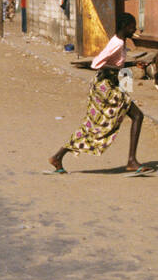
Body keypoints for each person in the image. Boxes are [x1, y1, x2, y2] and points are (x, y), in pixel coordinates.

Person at [48, 13, 149, 174]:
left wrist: (133, 64)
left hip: (109, 86)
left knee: (94, 126)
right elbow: (97, 64)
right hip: (105, 88)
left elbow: (116, 64)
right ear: (125, 26)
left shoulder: (121, 42)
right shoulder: (116, 43)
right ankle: (132, 161)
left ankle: (58, 156)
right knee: (136, 116)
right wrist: (122, 69)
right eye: (132, 26)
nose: (134, 30)